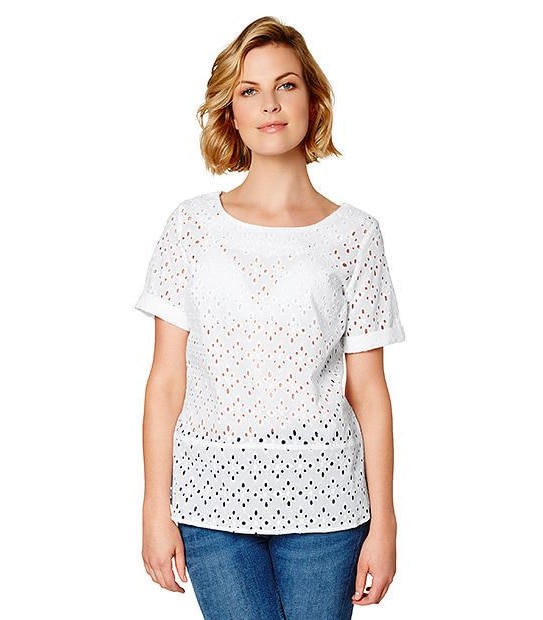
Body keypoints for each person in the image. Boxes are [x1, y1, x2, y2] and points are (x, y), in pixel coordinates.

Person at [134, 15, 406, 620]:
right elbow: (166, 379)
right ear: (231, 111)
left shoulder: (356, 235)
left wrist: (385, 522)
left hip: (328, 502)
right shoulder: (191, 226)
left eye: (286, 85)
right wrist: (155, 507)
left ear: (313, 99)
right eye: (249, 90)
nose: (270, 104)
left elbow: (369, 390)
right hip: (209, 499)